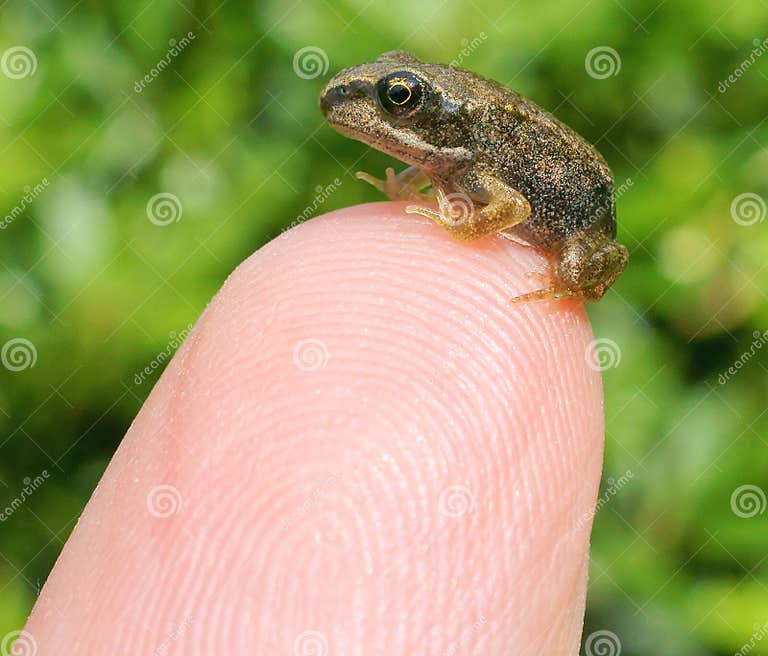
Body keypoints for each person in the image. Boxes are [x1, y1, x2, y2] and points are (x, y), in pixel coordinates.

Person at [24, 202, 605, 655]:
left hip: (583, 236)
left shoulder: (489, 155)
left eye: (398, 99)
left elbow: (511, 208)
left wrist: (462, 228)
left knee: (576, 269)